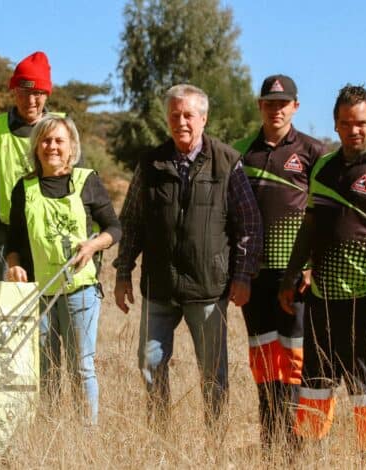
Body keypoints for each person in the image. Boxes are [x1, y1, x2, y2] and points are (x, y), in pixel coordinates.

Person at [278, 85, 366, 453]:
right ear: (336, 126)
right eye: (346, 124)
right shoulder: (324, 167)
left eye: (361, 123)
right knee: (316, 378)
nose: (354, 130)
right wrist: (293, 273)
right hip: (324, 295)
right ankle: (309, 452)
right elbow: (308, 227)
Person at [113, 84, 263, 429]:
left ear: (203, 118)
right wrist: (123, 272)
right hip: (159, 287)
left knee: (213, 374)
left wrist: (242, 275)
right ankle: (160, 437)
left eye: (188, 115)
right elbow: (132, 221)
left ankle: (215, 442)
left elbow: (249, 224)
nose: (181, 121)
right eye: (174, 115)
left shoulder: (227, 162)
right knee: (149, 363)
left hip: (208, 288)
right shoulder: (150, 163)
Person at [5, 115, 120, 425]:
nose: (51, 146)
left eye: (58, 141)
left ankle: (86, 435)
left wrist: (93, 246)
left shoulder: (87, 181)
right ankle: (52, 429)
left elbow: (113, 228)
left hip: (80, 289)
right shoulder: (24, 188)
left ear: (71, 148)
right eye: (45, 140)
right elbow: (13, 240)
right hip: (40, 292)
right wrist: (14, 266)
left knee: (81, 367)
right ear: (36, 146)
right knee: (47, 367)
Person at [232, 75, 325, 447]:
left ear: (296, 107)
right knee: (264, 361)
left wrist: (309, 265)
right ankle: (271, 439)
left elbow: (326, 214)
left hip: (295, 279)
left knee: (295, 360)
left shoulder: (313, 152)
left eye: (284, 103)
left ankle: (298, 442)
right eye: (270, 103)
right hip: (254, 276)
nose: (277, 109)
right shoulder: (240, 151)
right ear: (260, 106)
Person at [0, 51, 65, 280]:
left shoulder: (63, 129)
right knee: (7, 308)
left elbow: (78, 182)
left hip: (52, 234)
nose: (31, 101)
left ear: (47, 94)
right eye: (24, 92)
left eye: (37, 93)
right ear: (14, 91)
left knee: (48, 308)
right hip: (3, 239)